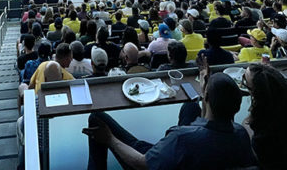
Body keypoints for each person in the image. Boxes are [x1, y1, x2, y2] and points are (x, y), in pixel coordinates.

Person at [82, 72, 256, 170]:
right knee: (190, 107)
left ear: (207, 97)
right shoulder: (241, 134)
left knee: (96, 118)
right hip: (193, 156)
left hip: (149, 162)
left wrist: (109, 139)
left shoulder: (182, 138)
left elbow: (142, 164)